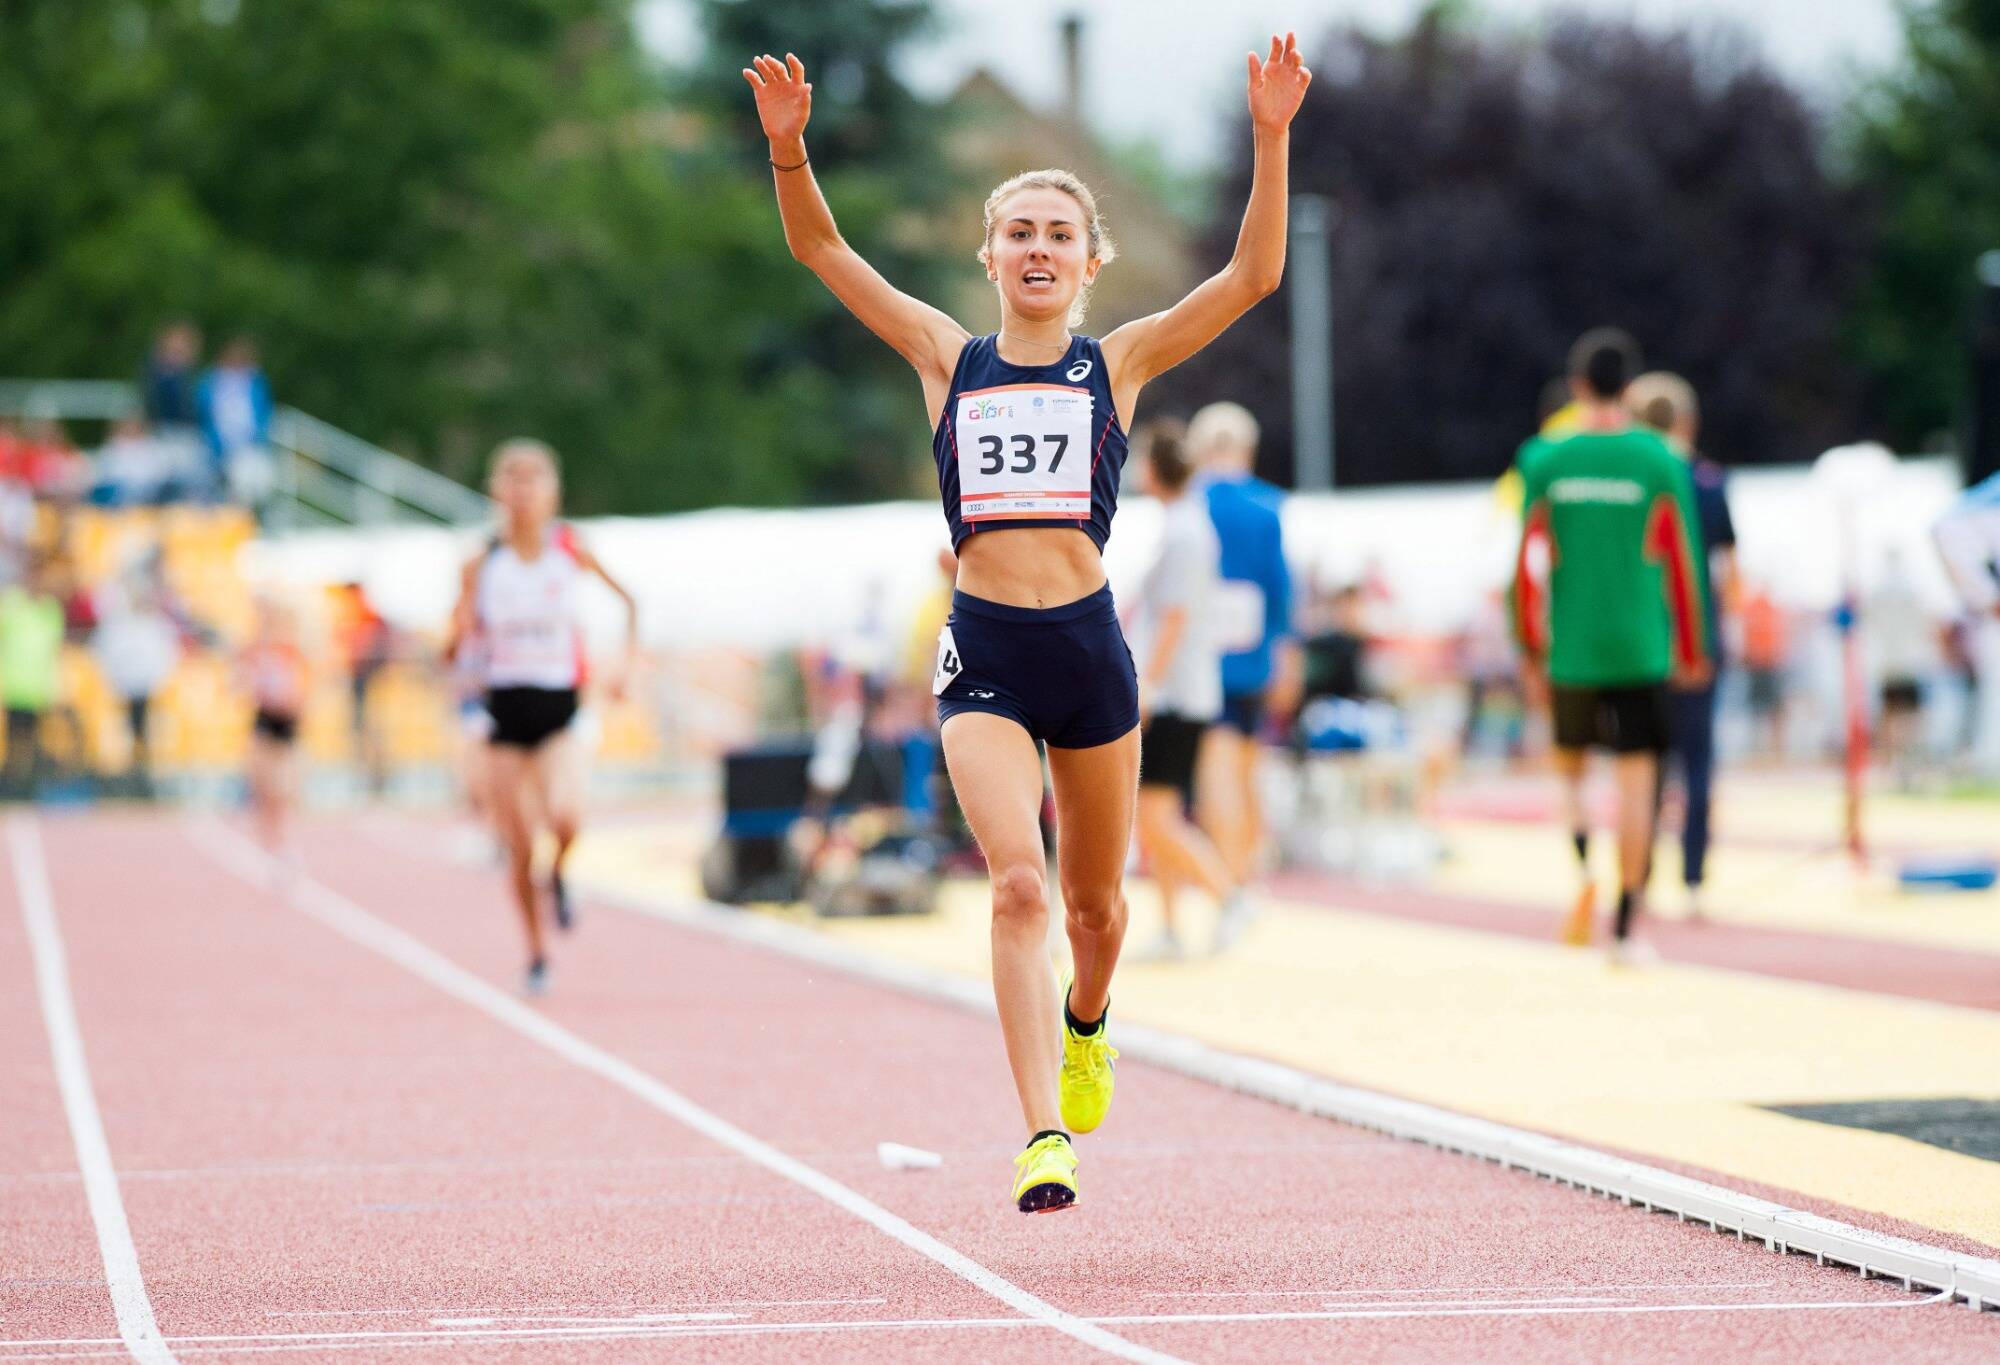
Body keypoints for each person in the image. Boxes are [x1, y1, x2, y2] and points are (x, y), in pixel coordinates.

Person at [745, 34, 1311, 1212]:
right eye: (1020, 231)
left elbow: (1250, 278)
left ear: (1089, 261)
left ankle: (1088, 1017)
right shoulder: (946, 358)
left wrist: (1270, 135)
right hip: (987, 653)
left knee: (1096, 910)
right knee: (1015, 886)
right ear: (989, 255)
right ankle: (1039, 1132)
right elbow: (819, 250)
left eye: (1059, 232)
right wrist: (791, 154)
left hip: (1090, 652)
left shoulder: (1120, 364)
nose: (1038, 248)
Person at [1512, 329, 1708, 962]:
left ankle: (1580, 863)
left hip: (1570, 648)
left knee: (1569, 772)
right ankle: (1626, 925)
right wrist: (1692, 645)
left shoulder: (1543, 459)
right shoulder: (1660, 460)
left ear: (1575, 387)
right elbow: (1685, 562)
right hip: (1640, 648)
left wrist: (1529, 645)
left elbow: (1524, 563)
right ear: (1629, 388)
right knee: (1636, 782)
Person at [446, 439, 637, 998]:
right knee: (519, 846)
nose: (524, 490)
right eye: (513, 477)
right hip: (503, 714)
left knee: (567, 816)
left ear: (553, 490)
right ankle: (535, 952)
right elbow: (456, 637)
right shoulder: (480, 563)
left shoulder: (572, 549)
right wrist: (457, 641)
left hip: (560, 707)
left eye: (535, 478)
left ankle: (562, 872)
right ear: (496, 490)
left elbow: (630, 602)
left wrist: (624, 664)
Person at [1127, 422, 1247, 960]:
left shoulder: (1182, 531)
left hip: (1176, 692)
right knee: (1159, 814)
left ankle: (1229, 895)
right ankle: (1173, 925)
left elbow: (1173, 617)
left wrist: (1147, 684)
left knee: (1157, 816)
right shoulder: (1183, 525)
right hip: (1184, 687)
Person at [1628, 372, 1737, 918]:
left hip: (1647, 637)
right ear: (1687, 422)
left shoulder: (1636, 479)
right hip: (1699, 638)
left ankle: (1638, 877)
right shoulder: (1708, 480)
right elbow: (1728, 567)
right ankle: (1693, 880)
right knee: (1697, 763)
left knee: (1645, 761)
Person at [1187, 400, 1299, 893]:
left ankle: (1229, 877)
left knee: (1217, 772)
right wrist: (1286, 653)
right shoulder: (1269, 507)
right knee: (1249, 767)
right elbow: (1281, 588)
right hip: (1255, 653)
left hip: (1204, 654)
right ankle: (1249, 868)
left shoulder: (1191, 504)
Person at [238, 600, 309, 862]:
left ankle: (283, 840)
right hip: (265, 720)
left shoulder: (291, 652)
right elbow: (241, 684)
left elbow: (301, 690)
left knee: (283, 789)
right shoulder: (254, 652)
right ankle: (266, 841)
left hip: (287, 723)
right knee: (263, 788)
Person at [0, 556, 67, 799]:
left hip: (38, 687)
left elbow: (54, 651)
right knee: (14, 739)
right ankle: (11, 788)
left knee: (34, 740)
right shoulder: (11, 604)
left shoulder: (50, 609)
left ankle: (29, 787)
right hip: (14, 685)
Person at [196, 336, 274, 509]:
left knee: (258, 481)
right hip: (221, 447)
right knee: (238, 483)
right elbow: (205, 413)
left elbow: (263, 412)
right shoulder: (211, 382)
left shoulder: (255, 381)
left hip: (250, 446)